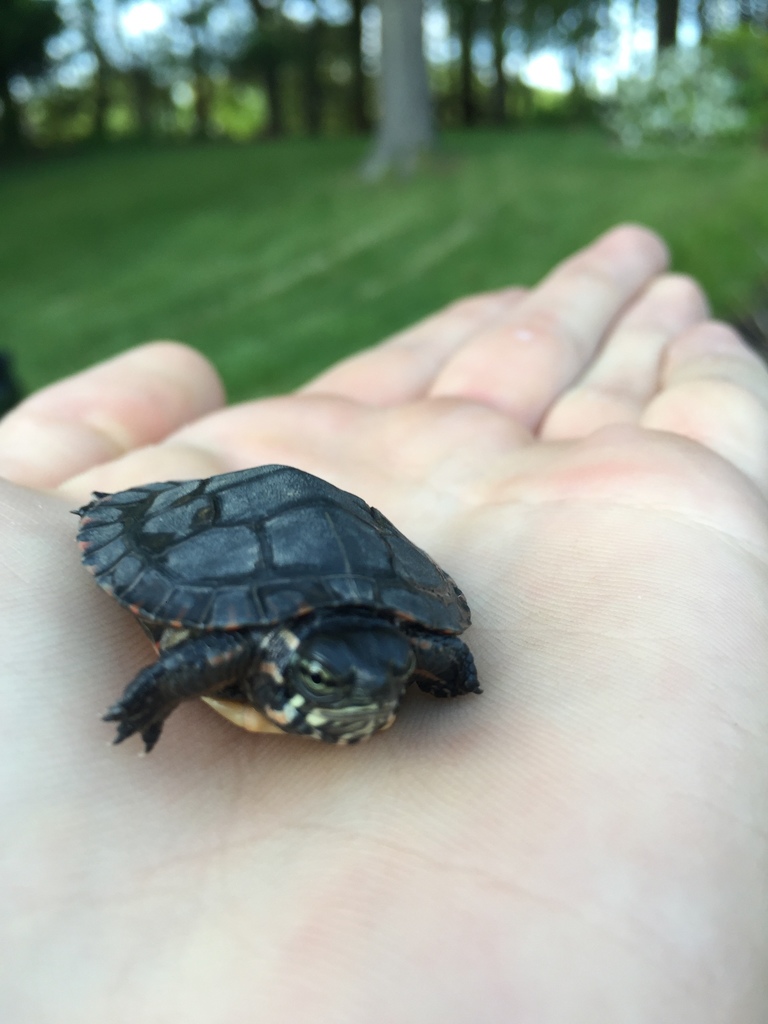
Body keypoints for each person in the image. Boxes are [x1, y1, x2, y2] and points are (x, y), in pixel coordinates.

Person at [2, 224, 767, 1021]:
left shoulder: (392, 661)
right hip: (220, 526)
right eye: (333, 679)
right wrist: (146, 702)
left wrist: (445, 670)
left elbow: (434, 652)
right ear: (287, 666)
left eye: (396, 672)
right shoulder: (240, 649)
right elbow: (198, 660)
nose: (377, 688)